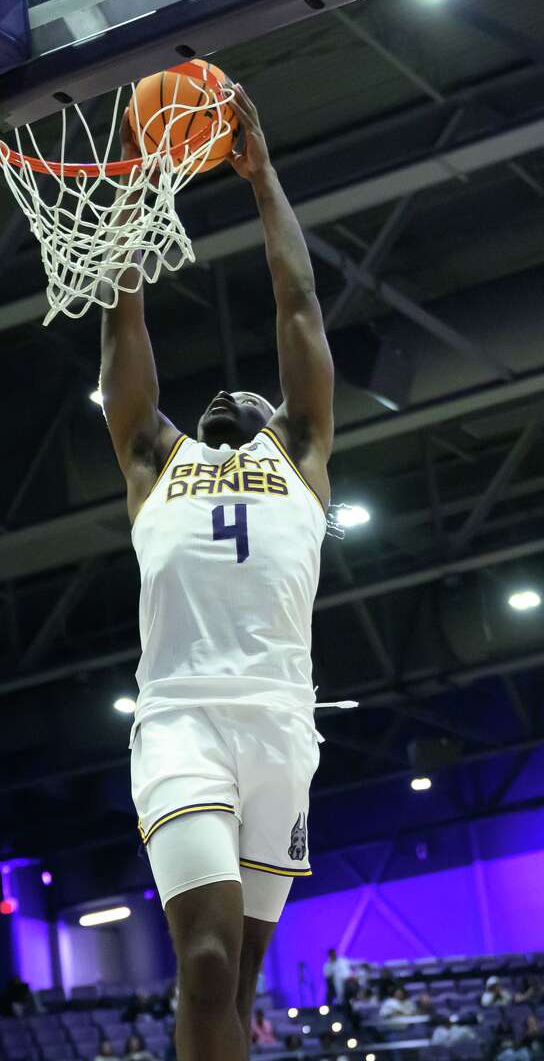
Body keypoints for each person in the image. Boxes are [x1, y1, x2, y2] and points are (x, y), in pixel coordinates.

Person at [100, 82, 336, 1061]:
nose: (234, 394)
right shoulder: (156, 463)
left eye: (256, 390)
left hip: (281, 726)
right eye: (218, 396)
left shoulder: (303, 454)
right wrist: (130, 188)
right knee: (202, 966)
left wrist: (263, 173)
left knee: (237, 985)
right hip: (185, 723)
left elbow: (298, 302)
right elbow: (123, 334)